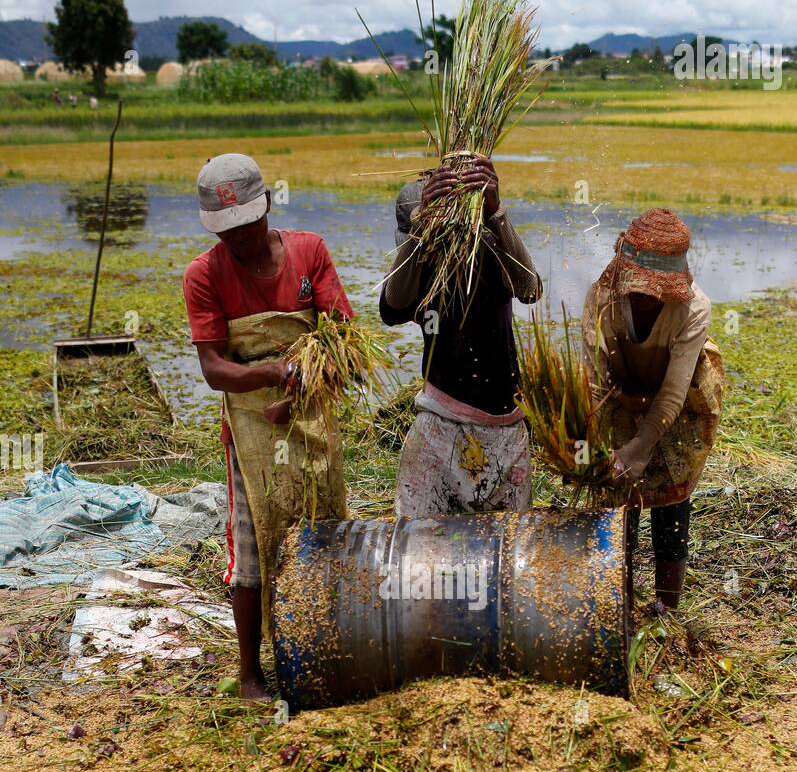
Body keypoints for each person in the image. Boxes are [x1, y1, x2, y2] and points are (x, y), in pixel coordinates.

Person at [183, 152, 352, 699]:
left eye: (248, 224)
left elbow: (341, 334)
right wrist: (269, 374)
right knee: (253, 542)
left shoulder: (309, 252)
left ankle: (326, 643)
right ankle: (251, 672)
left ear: (268, 207)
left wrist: (305, 374)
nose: (241, 238)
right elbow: (214, 368)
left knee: (321, 525)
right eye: (227, 230)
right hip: (249, 428)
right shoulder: (204, 275)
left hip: (311, 416)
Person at [379, 154, 542, 516]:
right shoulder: (416, 268)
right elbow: (392, 307)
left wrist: (496, 213)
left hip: (504, 424)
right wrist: (421, 232)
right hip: (440, 423)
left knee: (504, 543)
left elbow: (529, 289)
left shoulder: (489, 250)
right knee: (423, 543)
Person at [581, 207, 723, 614]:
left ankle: (667, 609)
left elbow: (673, 393)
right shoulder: (603, 295)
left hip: (681, 398)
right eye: (637, 287)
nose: (643, 298)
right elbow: (592, 377)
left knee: (670, 496)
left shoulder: (693, 309)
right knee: (618, 493)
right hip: (621, 389)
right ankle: (617, 600)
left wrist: (642, 447)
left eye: (654, 291)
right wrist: (600, 446)